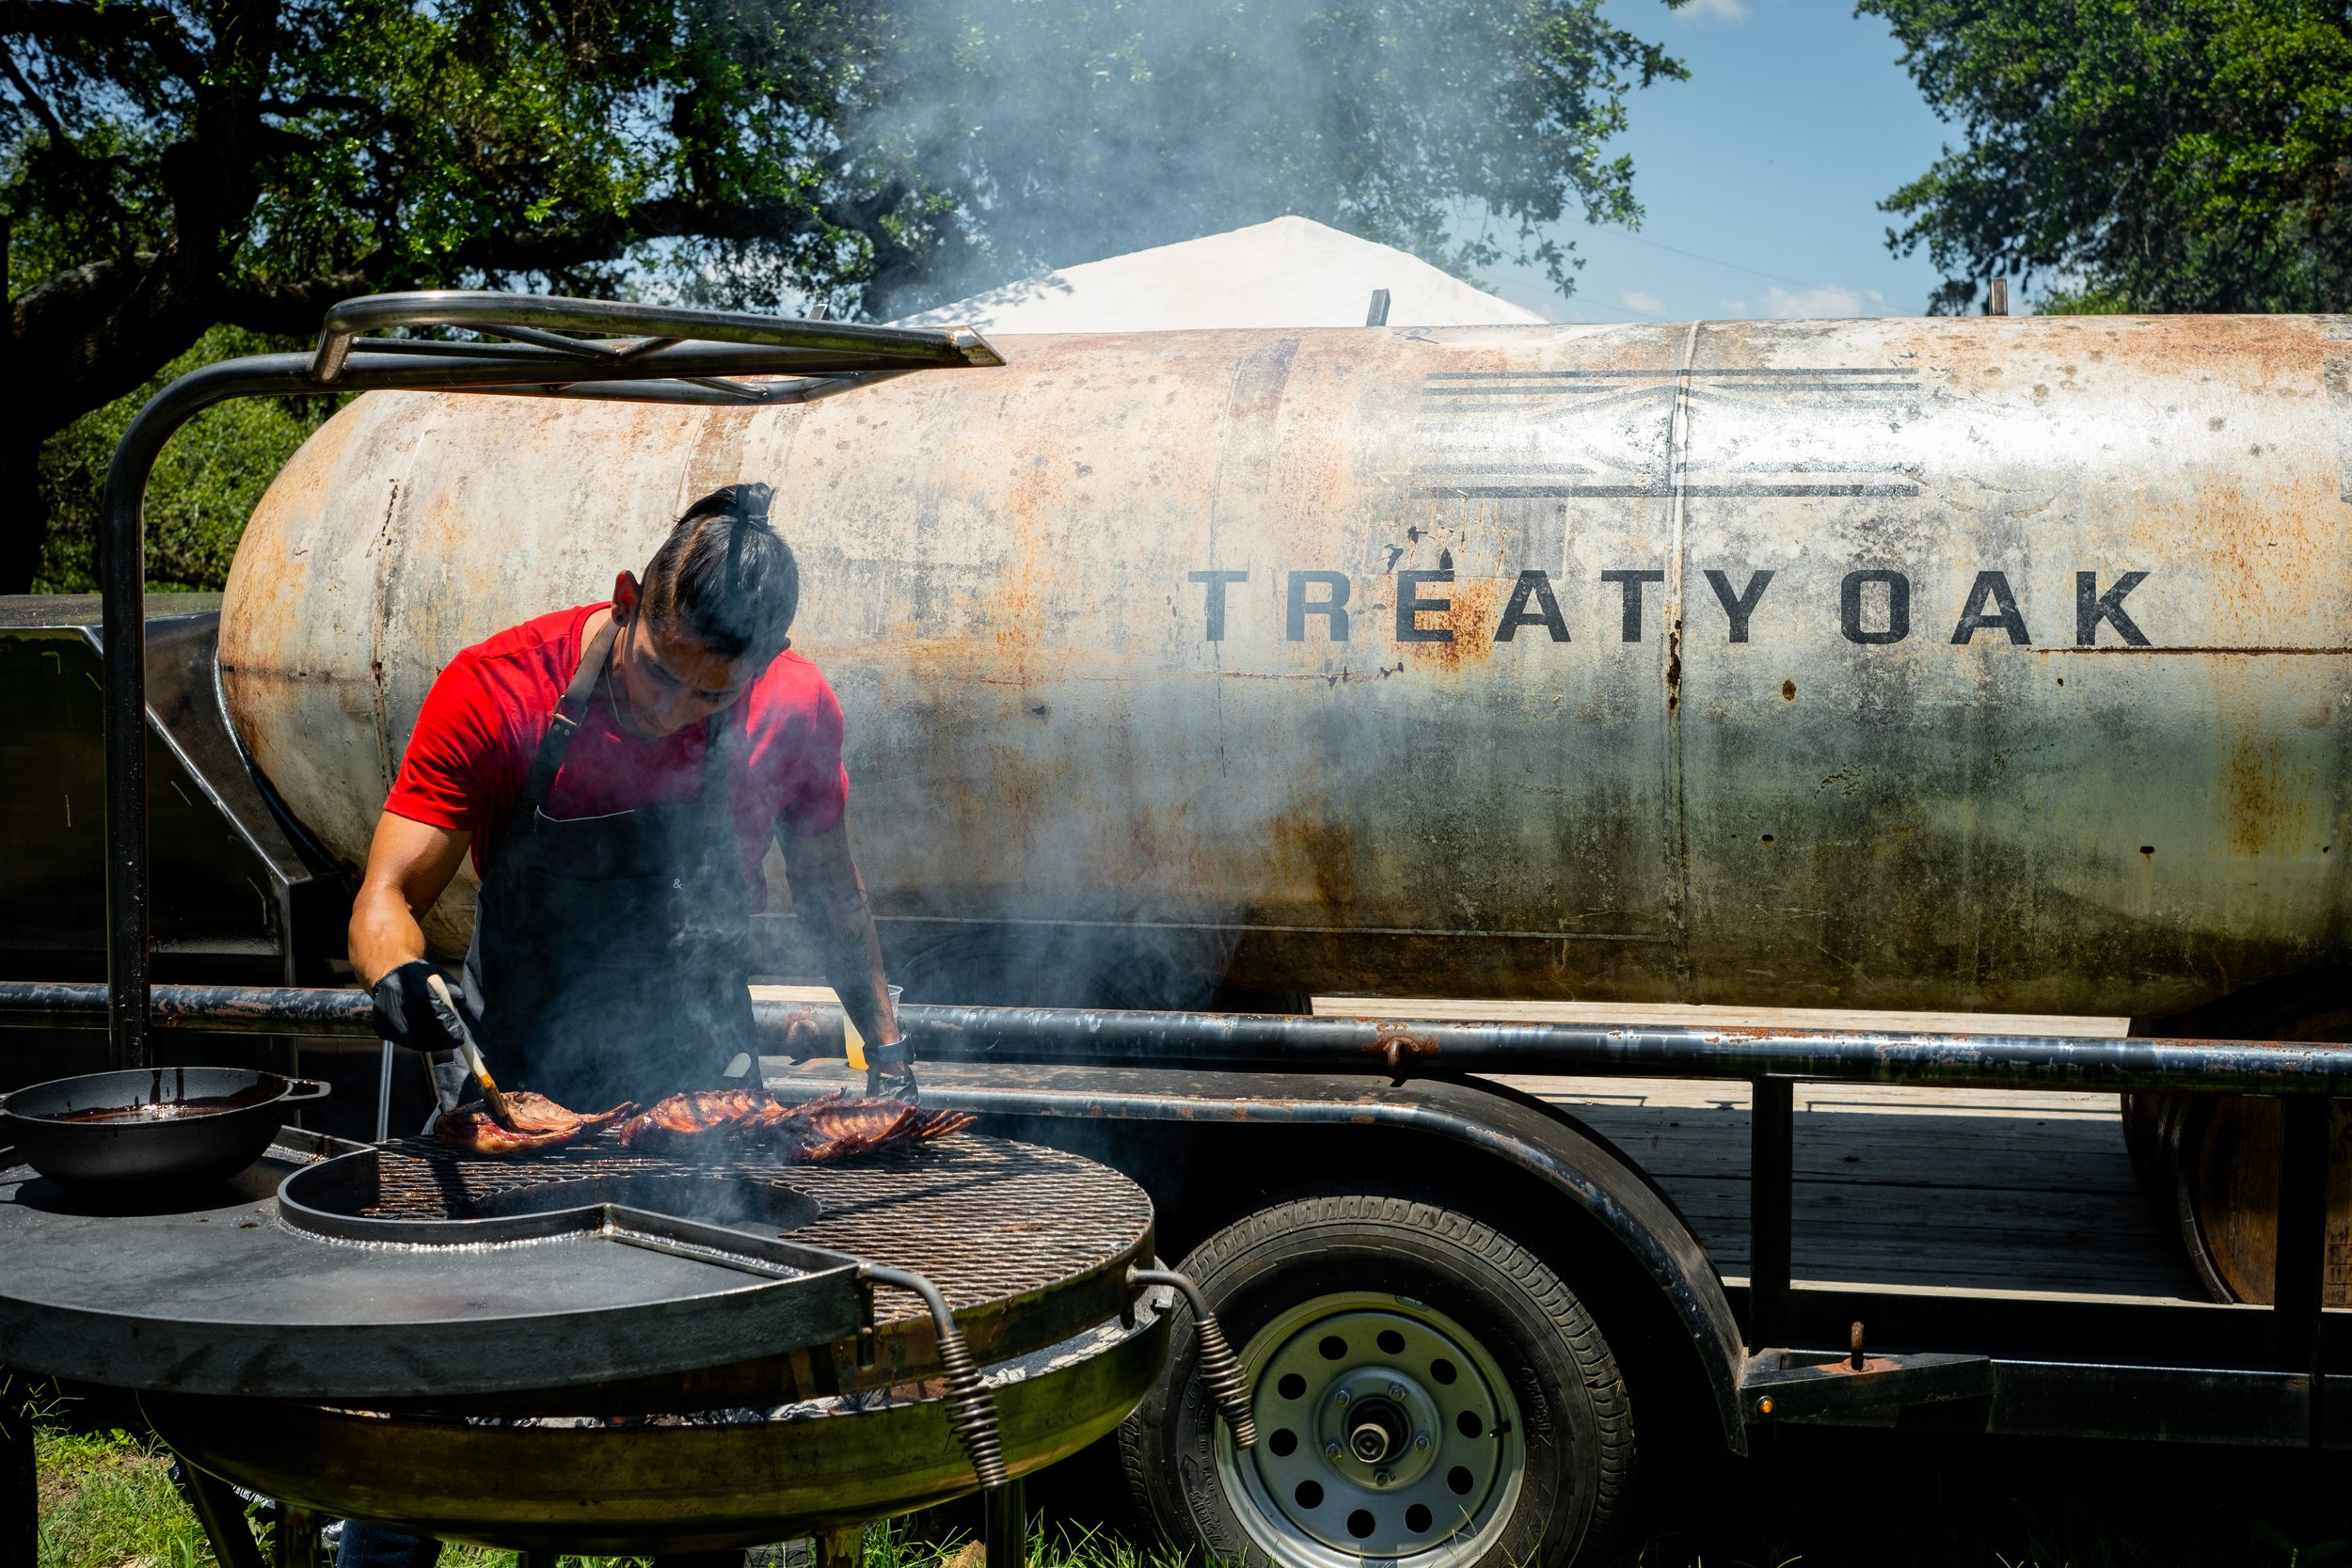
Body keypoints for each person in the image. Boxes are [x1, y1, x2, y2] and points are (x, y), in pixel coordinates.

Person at [335, 483, 910, 1568]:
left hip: (697, 1083)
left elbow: (832, 889)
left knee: (699, 1393)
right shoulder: (500, 685)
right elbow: (385, 890)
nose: (674, 709)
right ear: (630, 596)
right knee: (436, 1380)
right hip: (515, 1082)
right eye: (660, 671)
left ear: (771, 656)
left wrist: (885, 1042)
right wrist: (396, 972)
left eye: (712, 692)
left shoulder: (795, 706)